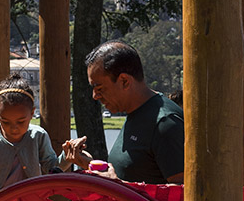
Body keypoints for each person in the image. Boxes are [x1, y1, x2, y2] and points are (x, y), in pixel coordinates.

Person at [66, 41, 184, 184]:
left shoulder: (165, 122)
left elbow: (182, 195)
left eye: (99, 88)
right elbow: (132, 174)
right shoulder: (136, 112)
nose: (95, 96)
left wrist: (116, 184)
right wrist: (90, 165)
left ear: (124, 81)